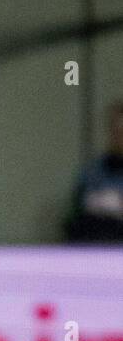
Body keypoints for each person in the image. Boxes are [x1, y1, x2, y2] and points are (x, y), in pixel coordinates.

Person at [67, 100, 123, 243]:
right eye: (116, 131)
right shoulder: (93, 171)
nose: (119, 137)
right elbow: (80, 207)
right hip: (97, 241)